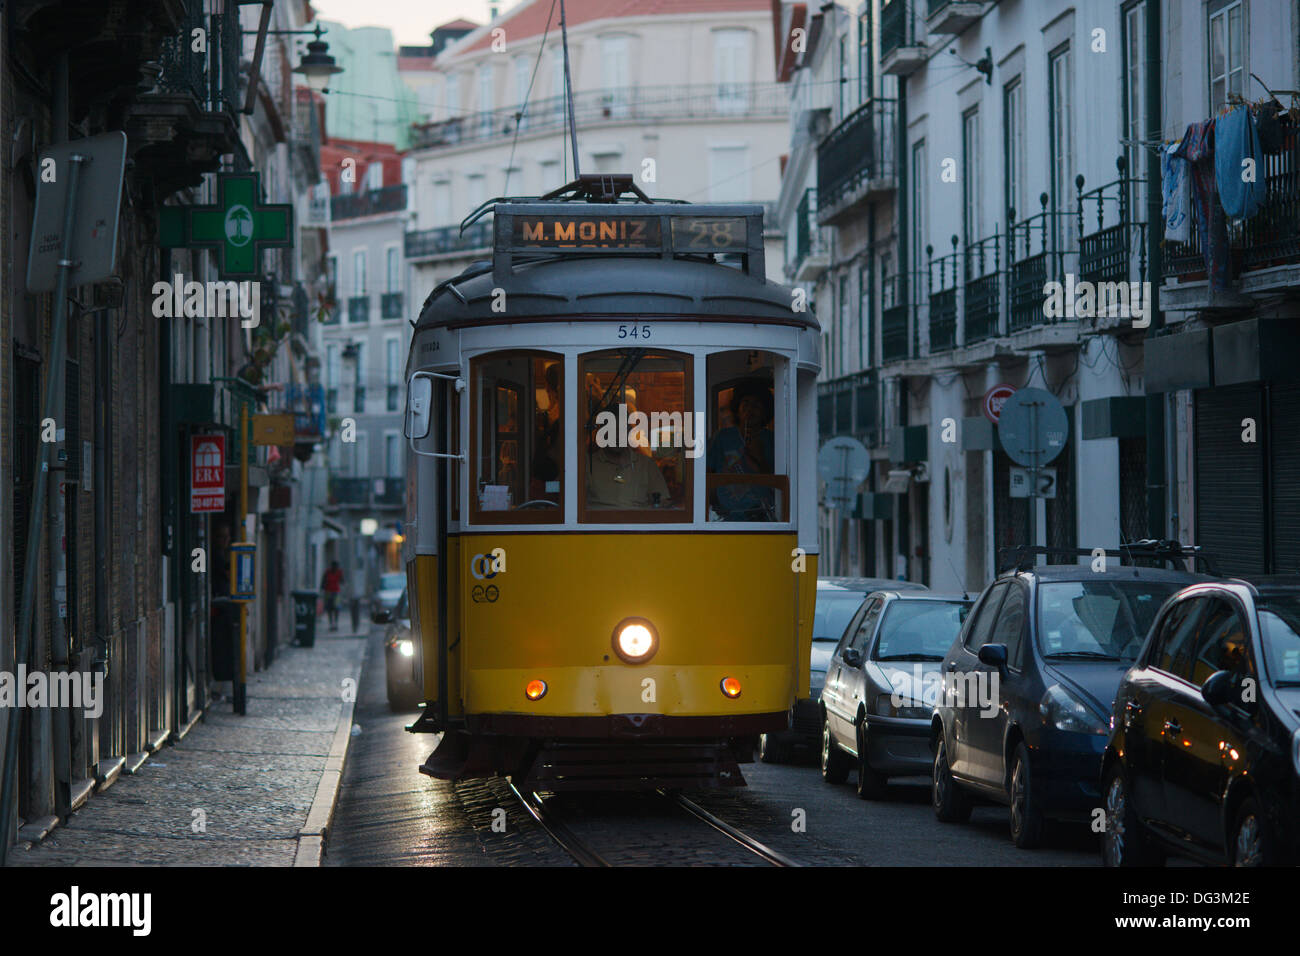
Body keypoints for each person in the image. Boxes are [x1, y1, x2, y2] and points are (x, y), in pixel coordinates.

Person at [708, 380, 776, 520]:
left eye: (757, 405)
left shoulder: (772, 440)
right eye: (745, 403)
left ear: (765, 411)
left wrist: (759, 458)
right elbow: (708, 474)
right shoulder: (723, 438)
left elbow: (776, 482)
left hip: (761, 515)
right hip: (726, 516)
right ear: (737, 409)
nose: (750, 409)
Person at [587, 443, 671, 510]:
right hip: (597, 527)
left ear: (629, 432)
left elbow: (662, 503)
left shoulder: (646, 464)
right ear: (602, 432)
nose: (617, 435)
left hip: (638, 527)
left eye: (621, 429)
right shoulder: (587, 463)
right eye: (612, 429)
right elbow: (575, 506)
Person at [321, 560, 344, 631]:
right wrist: (323, 588)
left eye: (336, 567)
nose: (335, 568)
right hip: (328, 592)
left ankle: (335, 623)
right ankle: (331, 623)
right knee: (329, 608)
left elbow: (342, 581)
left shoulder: (339, 572)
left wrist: (341, 578)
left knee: (336, 608)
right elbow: (323, 581)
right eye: (334, 567)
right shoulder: (327, 572)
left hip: (336, 592)